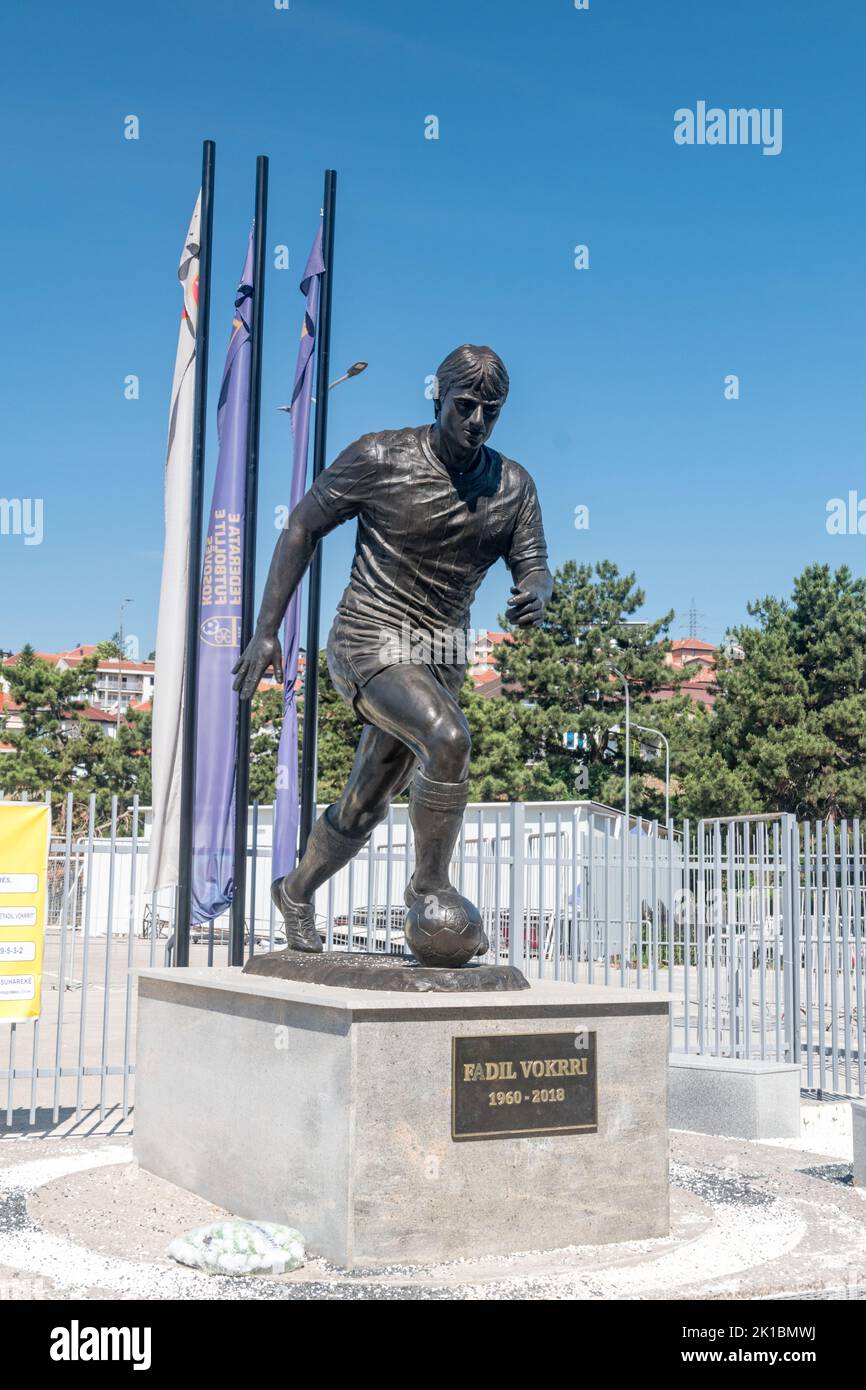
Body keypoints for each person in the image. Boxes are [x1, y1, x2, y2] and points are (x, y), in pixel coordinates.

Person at [233, 344, 552, 953]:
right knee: (448, 739)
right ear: (437, 398)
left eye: (491, 410)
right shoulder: (379, 456)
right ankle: (431, 886)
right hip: (369, 637)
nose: (477, 421)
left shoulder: (513, 486)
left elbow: (534, 566)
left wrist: (535, 591)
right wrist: (267, 628)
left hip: (440, 656)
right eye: (464, 406)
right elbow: (301, 525)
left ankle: (295, 890)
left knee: (364, 801)